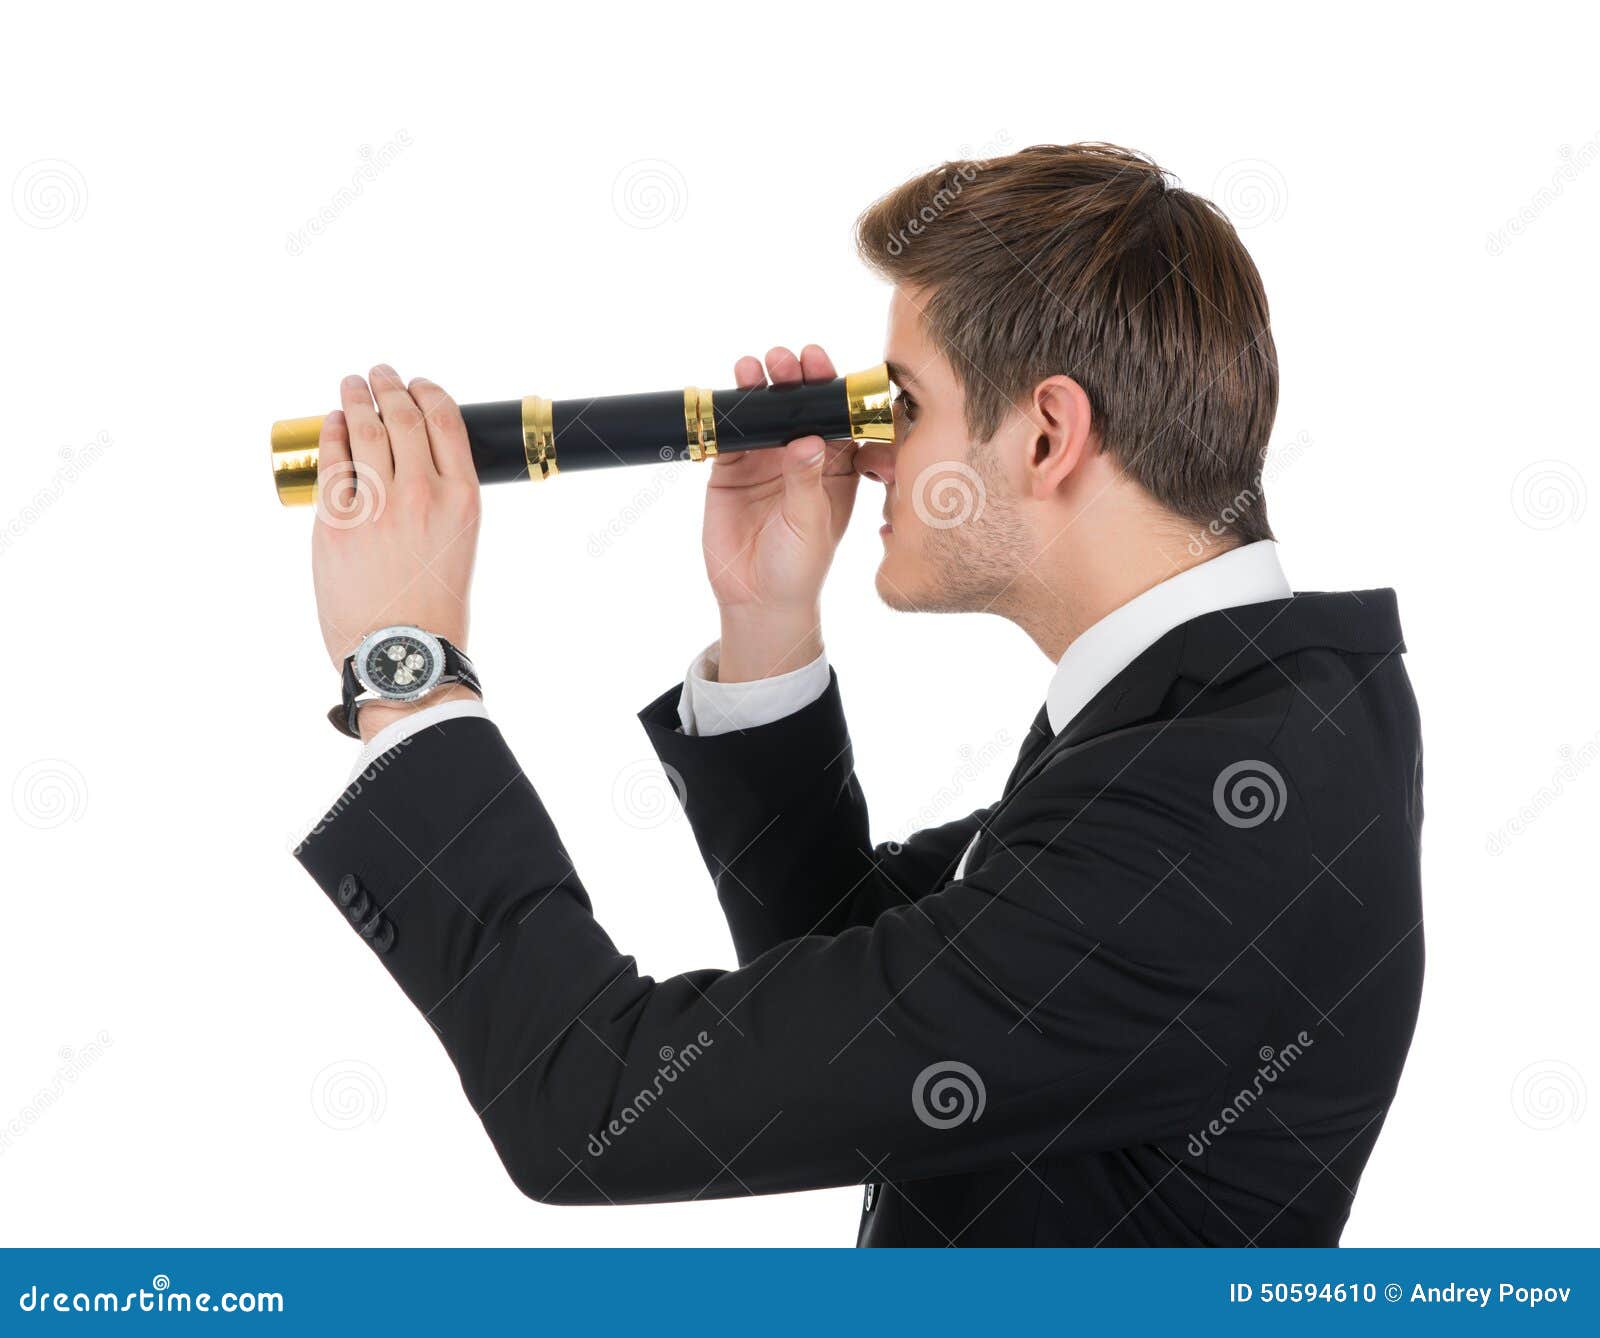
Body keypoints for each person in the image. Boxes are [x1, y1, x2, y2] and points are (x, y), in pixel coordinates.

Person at [295, 143, 1424, 1246]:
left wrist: (408, 666)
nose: (865, 452)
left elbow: (592, 1110)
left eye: (900, 406)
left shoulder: (1213, 822)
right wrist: (767, 623)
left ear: (1045, 435)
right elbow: (883, 1008)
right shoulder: (1239, 714)